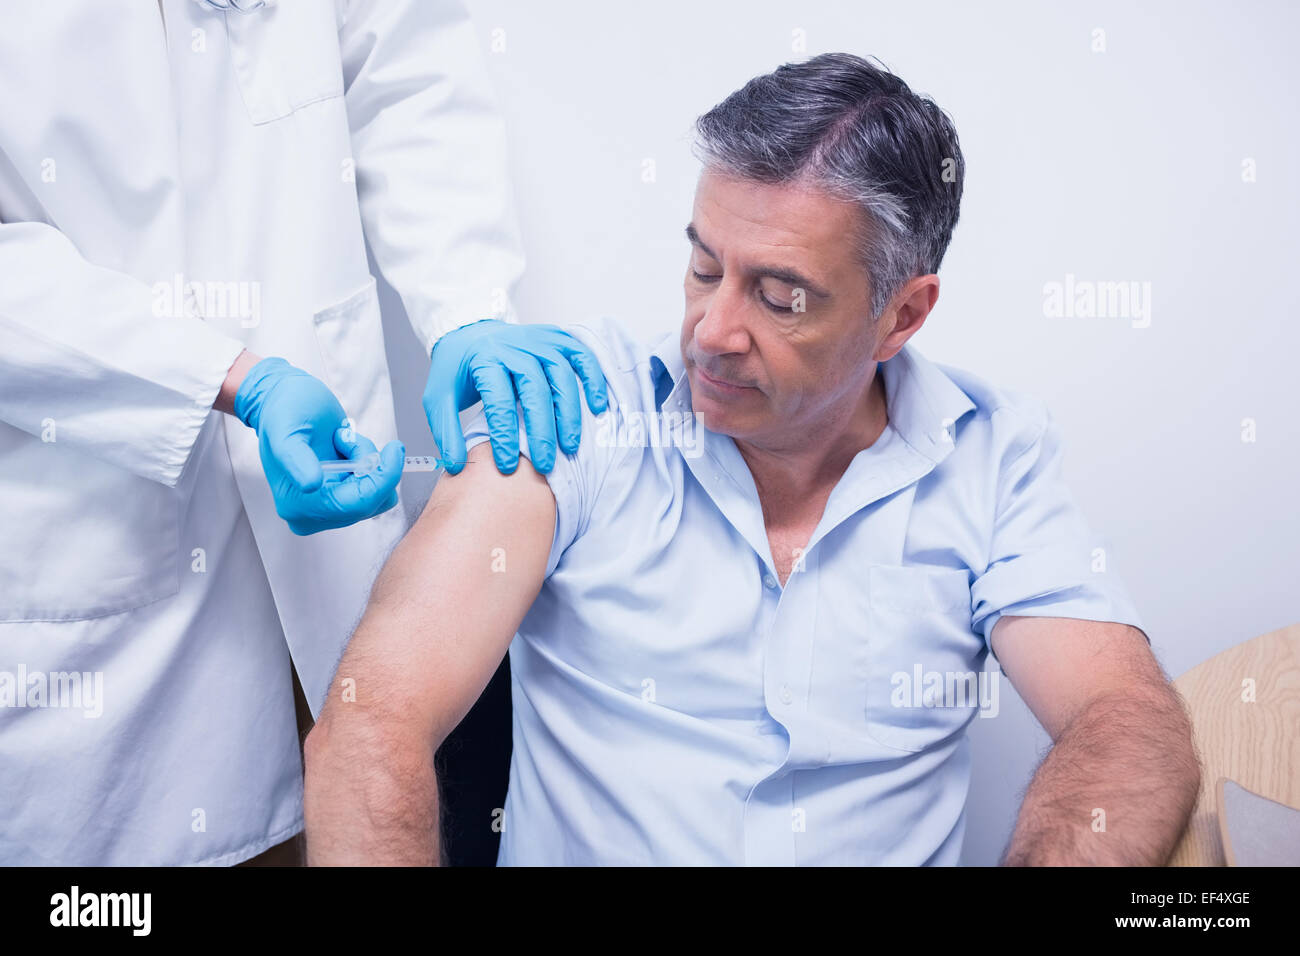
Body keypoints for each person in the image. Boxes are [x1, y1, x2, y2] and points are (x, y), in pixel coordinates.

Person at [305, 52, 1200, 866]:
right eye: (704, 269)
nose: (713, 333)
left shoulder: (991, 459)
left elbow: (1122, 721)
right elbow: (371, 718)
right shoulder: (574, 409)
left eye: (781, 297)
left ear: (903, 315)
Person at [0, 0, 605, 865]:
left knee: (353, 773)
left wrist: (467, 304)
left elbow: (407, 74)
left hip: (318, 582)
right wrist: (227, 377)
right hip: (91, 516)